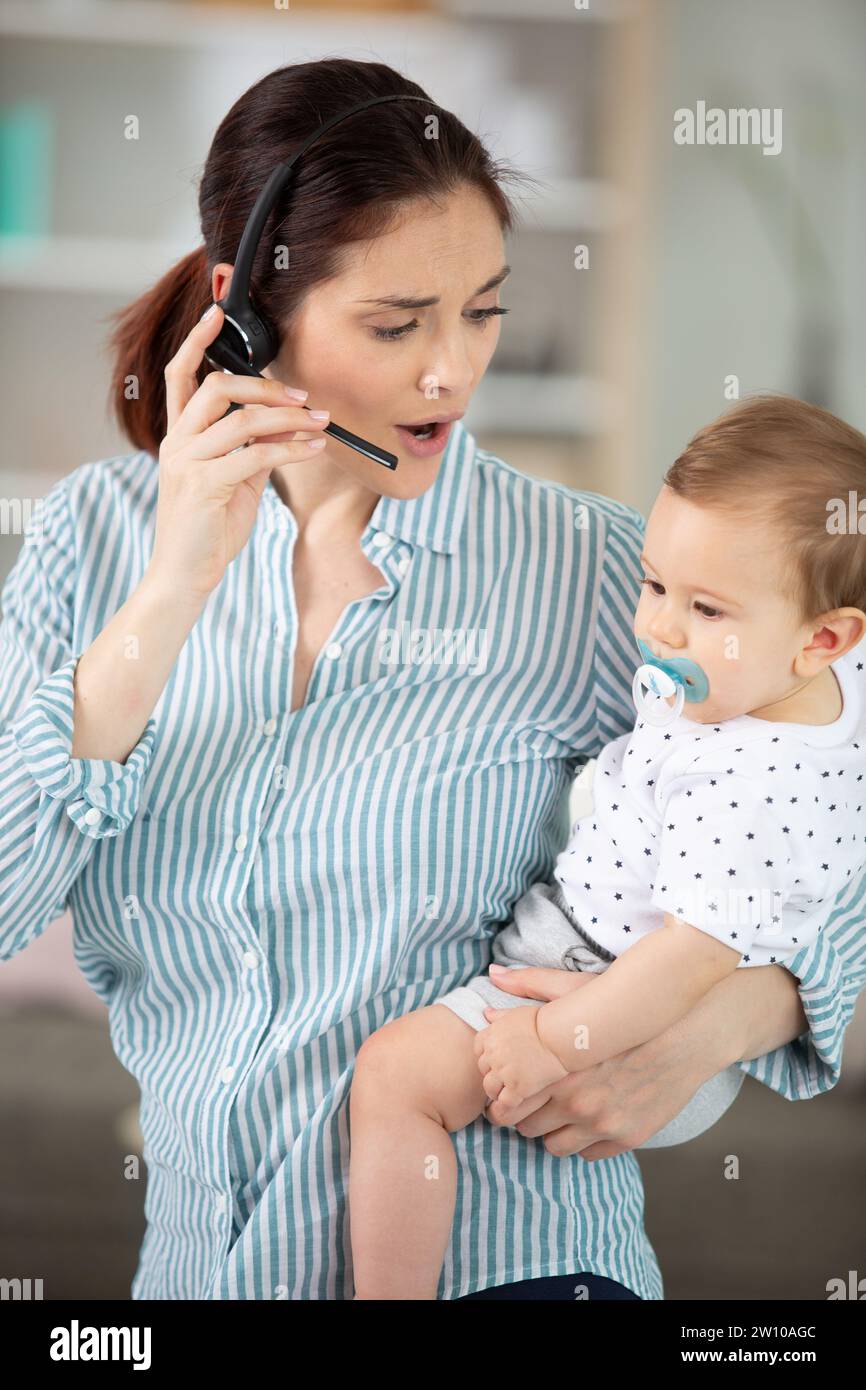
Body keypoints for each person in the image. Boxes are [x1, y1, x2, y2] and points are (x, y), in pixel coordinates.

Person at [1, 59, 864, 1302]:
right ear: (247, 314)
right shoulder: (92, 541)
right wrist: (171, 591)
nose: (452, 373)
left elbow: (815, 807)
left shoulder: (589, 566)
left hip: (519, 1263)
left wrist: (728, 1019)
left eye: (482, 311)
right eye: (396, 325)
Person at [347, 393, 866, 1299]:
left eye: (706, 608)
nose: (658, 628)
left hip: (604, 988)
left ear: (822, 638)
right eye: (654, 583)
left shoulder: (743, 784)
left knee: (396, 1077)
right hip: (622, 975)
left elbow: (693, 957)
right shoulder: (813, 680)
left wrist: (556, 1037)